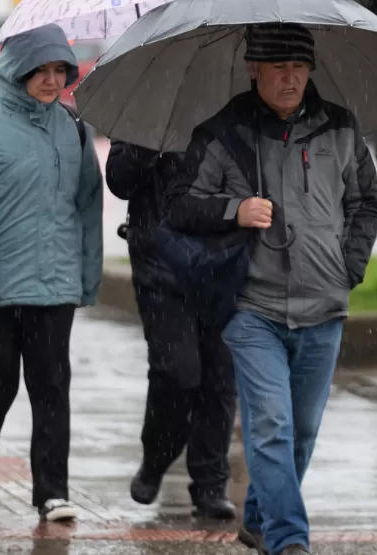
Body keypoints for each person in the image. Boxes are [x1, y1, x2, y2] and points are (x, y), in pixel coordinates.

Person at [164, 23, 377, 555]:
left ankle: (260, 523)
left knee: (301, 435)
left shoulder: (340, 128)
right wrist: (233, 210)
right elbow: (178, 205)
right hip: (251, 307)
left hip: (324, 306)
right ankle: (290, 543)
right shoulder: (223, 133)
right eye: (278, 68)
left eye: (299, 67)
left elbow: (367, 205)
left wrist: (346, 269)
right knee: (271, 428)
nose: (291, 79)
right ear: (253, 69)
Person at [0, 23, 103, 523]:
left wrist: (86, 275)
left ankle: (52, 490)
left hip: (53, 286)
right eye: (42, 70)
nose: (53, 81)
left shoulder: (74, 129)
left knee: (52, 385)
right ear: (17, 70)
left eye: (61, 70)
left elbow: (88, 207)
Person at [105, 142, 237, 519]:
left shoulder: (234, 109)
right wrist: (149, 149)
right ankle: (157, 458)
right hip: (161, 268)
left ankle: (211, 482)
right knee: (177, 373)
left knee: (220, 378)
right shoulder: (150, 109)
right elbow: (119, 181)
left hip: (222, 265)